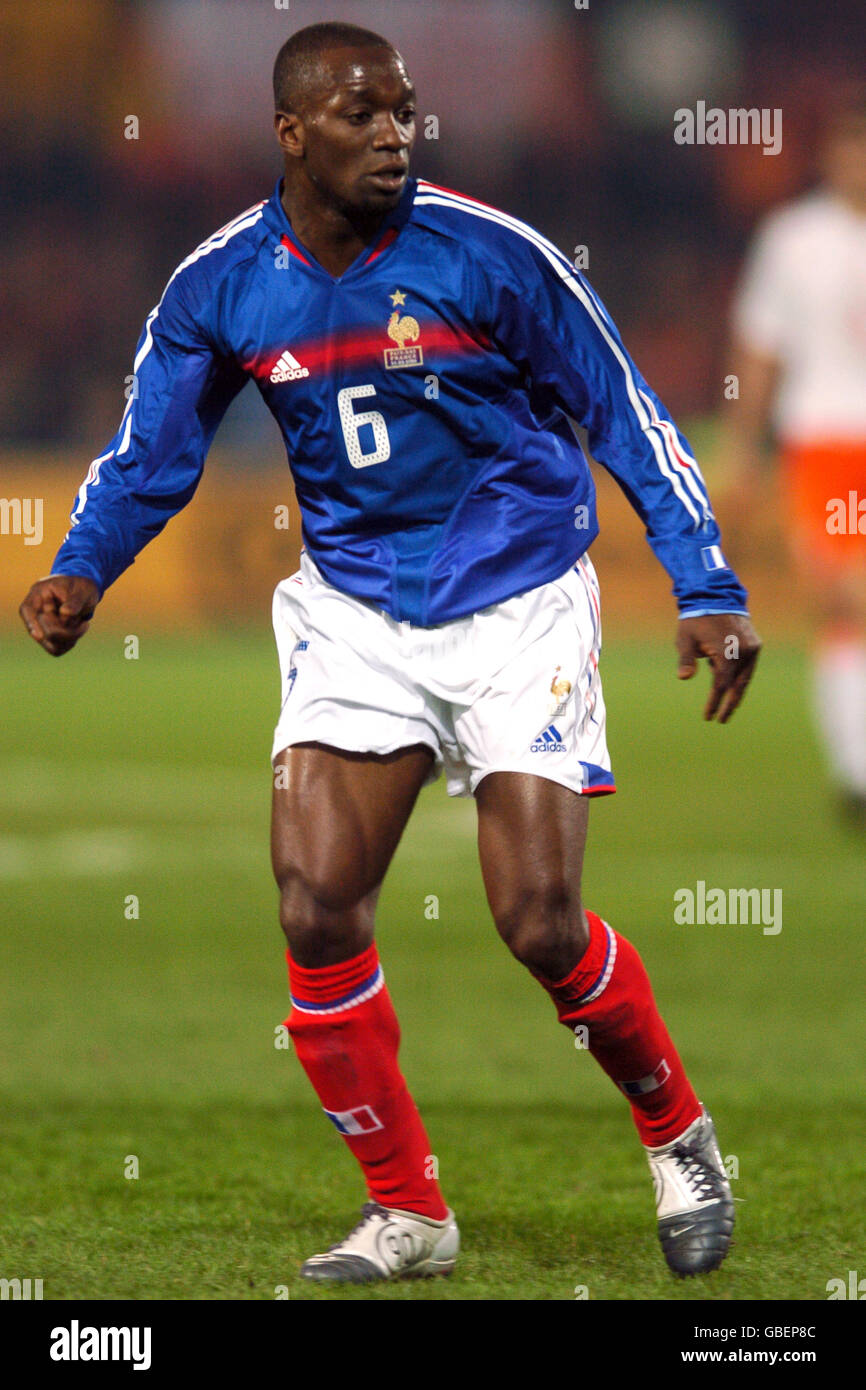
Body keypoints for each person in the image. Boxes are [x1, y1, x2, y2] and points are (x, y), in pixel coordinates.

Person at [20, 22, 760, 1285]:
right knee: (314, 901)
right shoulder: (222, 283)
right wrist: (84, 565)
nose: (392, 134)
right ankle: (408, 1213)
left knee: (535, 920)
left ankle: (678, 1135)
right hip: (355, 611)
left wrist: (703, 578)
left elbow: (623, 410)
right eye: (361, 114)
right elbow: (152, 448)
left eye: (404, 111)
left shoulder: (493, 256)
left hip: (514, 597)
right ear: (291, 132)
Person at [727, 94, 866, 820]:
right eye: (849, 147)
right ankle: (856, 769)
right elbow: (760, 345)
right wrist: (744, 447)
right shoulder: (794, 237)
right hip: (824, 441)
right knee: (844, 599)